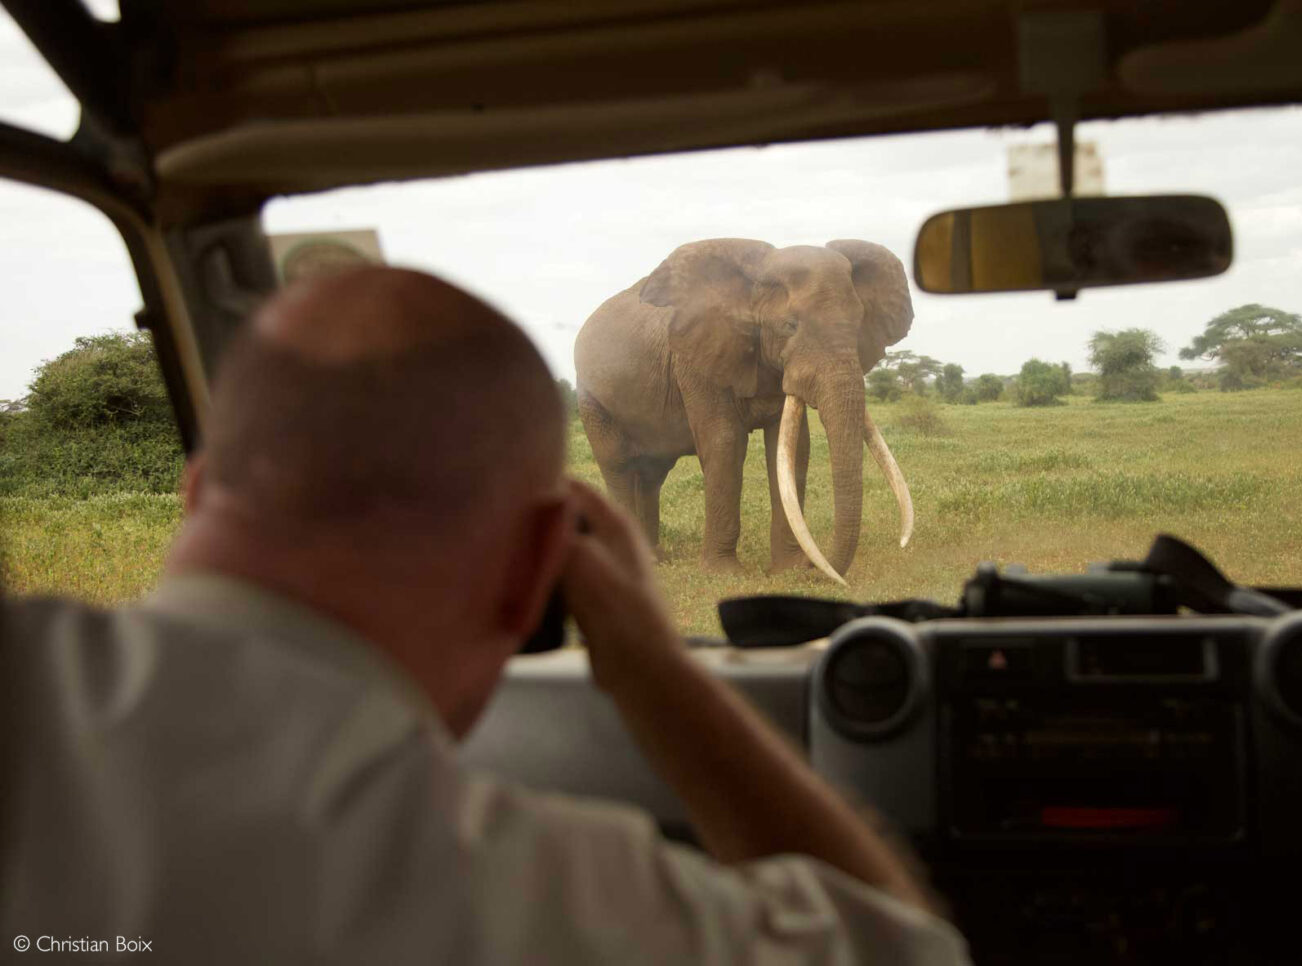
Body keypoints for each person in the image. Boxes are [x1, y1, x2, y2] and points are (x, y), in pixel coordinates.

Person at [0, 268, 967, 963]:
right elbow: (902, 948)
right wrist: (657, 667)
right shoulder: (546, 894)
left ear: (199, 491)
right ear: (540, 566)